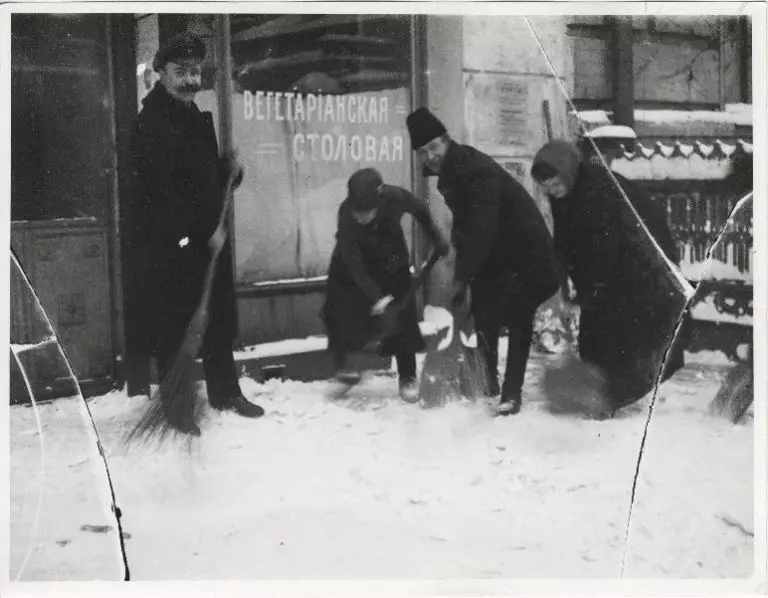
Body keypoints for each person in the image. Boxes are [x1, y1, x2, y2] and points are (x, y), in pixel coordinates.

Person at [123, 32, 264, 426]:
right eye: (181, 72)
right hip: (171, 246)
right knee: (174, 325)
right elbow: (155, 196)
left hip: (205, 238)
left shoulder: (198, 118)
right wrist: (194, 236)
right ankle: (178, 407)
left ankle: (226, 392)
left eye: (195, 71)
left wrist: (230, 173)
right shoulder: (149, 125)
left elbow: (206, 180)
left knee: (215, 317)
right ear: (162, 75)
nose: (190, 80)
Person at [406, 108, 560, 415]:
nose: (430, 157)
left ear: (447, 142)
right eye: (423, 152)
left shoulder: (476, 171)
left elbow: (481, 227)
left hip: (528, 252)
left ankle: (511, 394)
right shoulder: (453, 170)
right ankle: (488, 382)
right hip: (498, 253)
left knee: (518, 316)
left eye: (434, 147)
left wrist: (461, 276)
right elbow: (470, 228)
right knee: (484, 313)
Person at [531, 139, 688, 412]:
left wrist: (590, 292)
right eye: (547, 189)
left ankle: (614, 396)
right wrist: (562, 289)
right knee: (595, 333)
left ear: (566, 172)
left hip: (640, 266)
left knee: (623, 333)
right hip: (609, 268)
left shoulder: (597, 189)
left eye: (555, 185)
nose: (552, 192)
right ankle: (599, 392)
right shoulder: (564, 194)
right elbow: (563, 242)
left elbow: (605, 246)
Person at [322, 168, 450, 402]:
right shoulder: (346, 214)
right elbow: (354, 264)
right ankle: (346, 367)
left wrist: (435, 236)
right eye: (357, 212)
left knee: (403, 316)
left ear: (379, 202)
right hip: (353, 265)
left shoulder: (395, 197)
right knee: (340, 304)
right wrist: (376, 297)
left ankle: (408, 376)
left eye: (367, 213)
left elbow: (420, 209)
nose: (361, 218)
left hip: (392, 261)